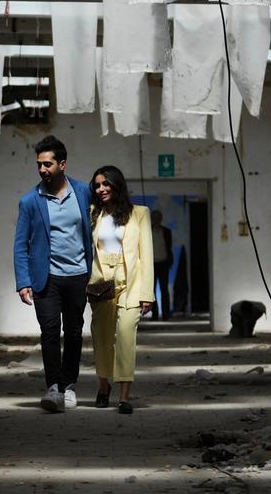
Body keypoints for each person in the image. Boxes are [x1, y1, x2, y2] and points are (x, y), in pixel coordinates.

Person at [13, 135, 95, 413]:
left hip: (78, 275)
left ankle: (69, 386)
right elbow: (20, 244)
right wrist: (23, 281)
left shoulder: (84, 192)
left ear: (62, 164)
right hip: (45, 277)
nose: (42, 170)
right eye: (39, 164)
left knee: (73, 332)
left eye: (47, 164)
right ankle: (53, 388)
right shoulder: (29, 201)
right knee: (49, 331)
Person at [87, 165, 154, 414]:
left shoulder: (140, 213)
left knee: (126, 336)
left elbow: (146, 254)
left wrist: (147, 293)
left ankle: (124, 397)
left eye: (106, 184)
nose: (102, 189)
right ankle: (104, 387)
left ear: (117, 185)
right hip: (101, 284)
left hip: (131, 284)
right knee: (102, 338)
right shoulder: (94, 213)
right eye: (97, 185)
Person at [149, 210, 173, 320]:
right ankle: (154, 314)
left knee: (164, 290)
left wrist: (169, 262)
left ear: (161, 219)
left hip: (163, 263)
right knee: (151, 290)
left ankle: (166, 314)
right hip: (151, 265)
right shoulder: (148, 231)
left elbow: (169, 248)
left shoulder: (167, 232)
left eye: (158, 218)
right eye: (154, 218)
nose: (156, 220)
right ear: (152, 219)